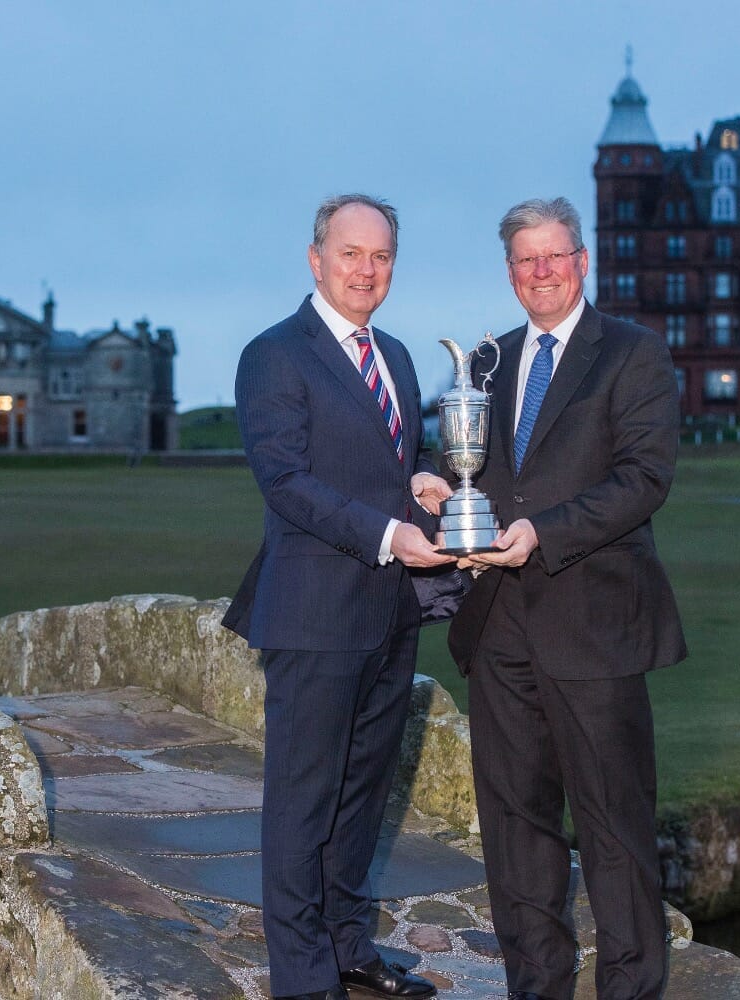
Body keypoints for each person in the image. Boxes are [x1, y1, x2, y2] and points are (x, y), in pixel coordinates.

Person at [449, 197, 687, 1000]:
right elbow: (465, 462)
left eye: (555, 256)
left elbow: (644, 479)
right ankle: (537, 987)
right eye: (525, 259)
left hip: (595, 626)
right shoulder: (488, 359)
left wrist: (543, 532)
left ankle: (629, 989)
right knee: (516, 828)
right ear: (510, 271)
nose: (541, 272)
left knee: (615, 828)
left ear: (582, 261)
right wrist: (432, 479)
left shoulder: (633, 354)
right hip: (497, 625)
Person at [223, 194, 452, 1000]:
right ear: (316, 258)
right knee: (303, 799)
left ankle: (350, 947)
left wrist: (420, 474)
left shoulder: (393, 353)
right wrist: (391, 535)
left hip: (390, 613)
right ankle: (303, 977)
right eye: (351, 253)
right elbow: (287, 482)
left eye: (381, 256)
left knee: (361, 794)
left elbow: (390, 452)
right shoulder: (275, 355)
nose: (367, 269)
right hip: (316, 613)